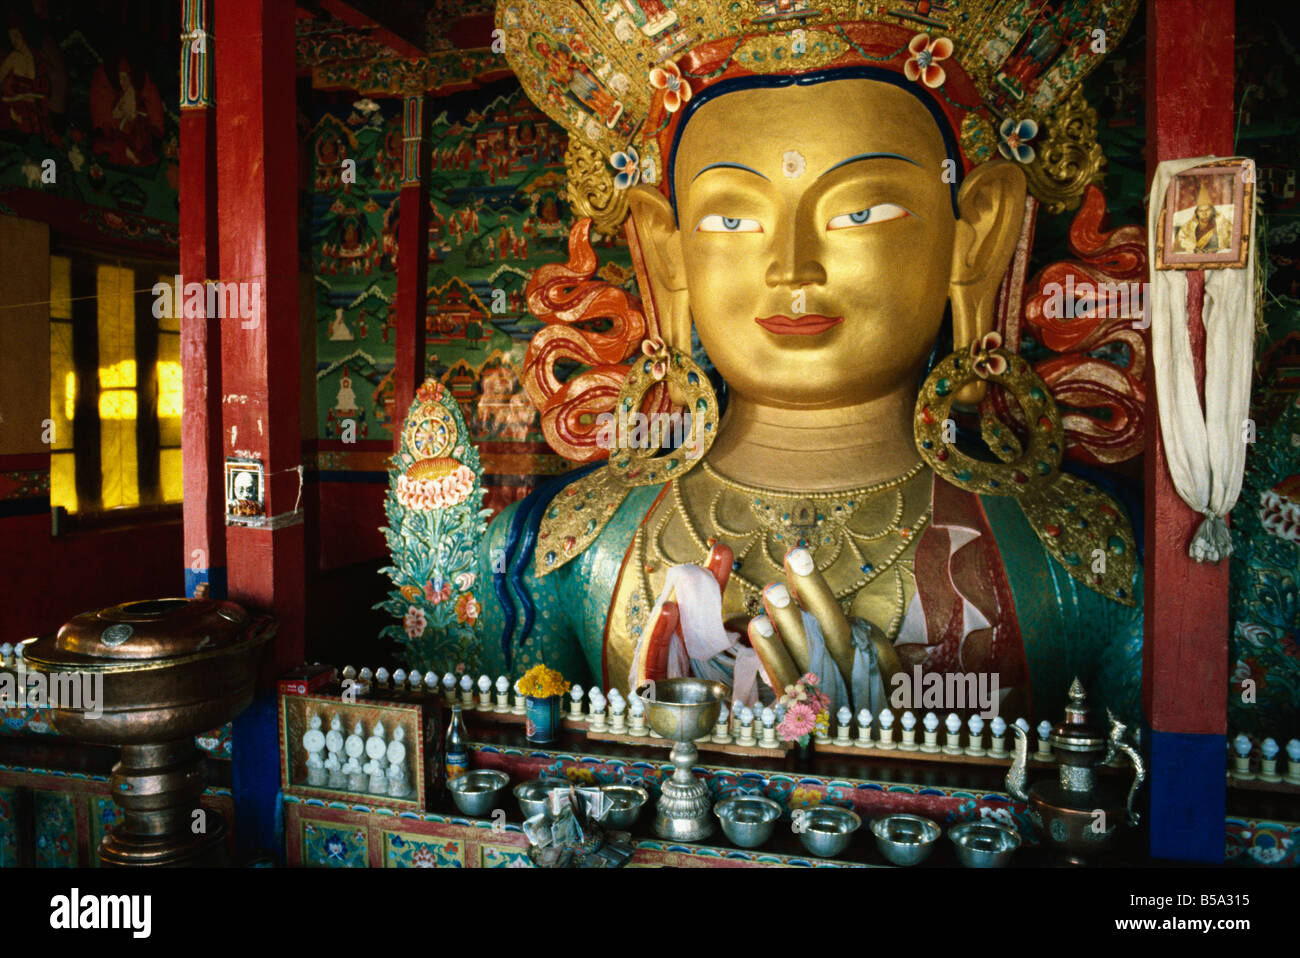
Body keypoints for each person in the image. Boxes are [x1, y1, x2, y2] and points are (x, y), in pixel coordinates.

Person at [467, 3, 1143, 725]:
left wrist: (896, 745)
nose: (794, 268)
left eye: (860, 213)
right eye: (732, 219)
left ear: (976, 232)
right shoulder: (562, 553)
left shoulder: (1084, 560)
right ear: (669, 250)